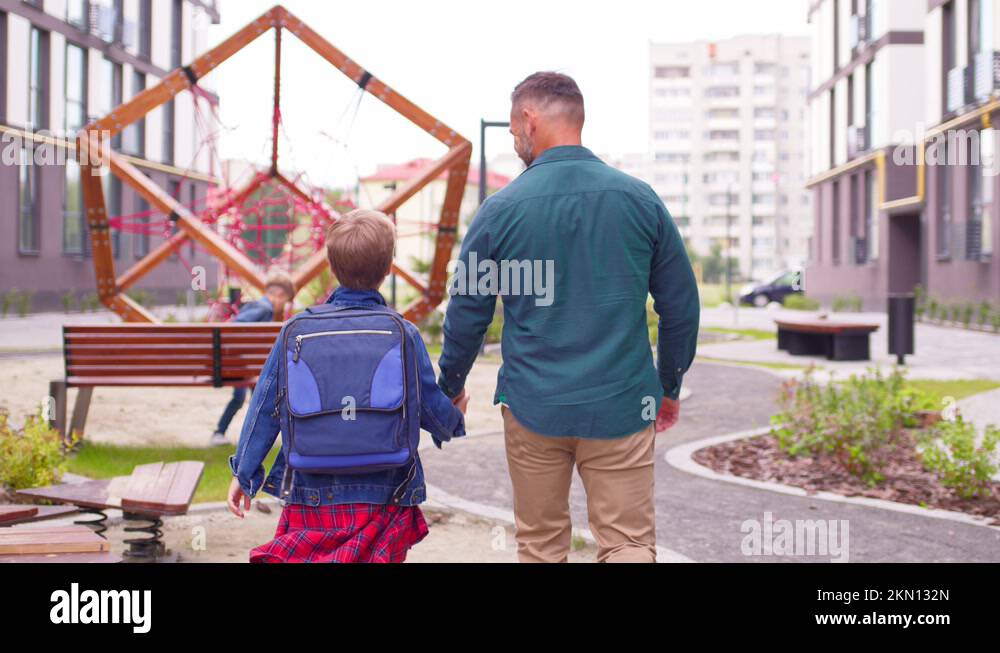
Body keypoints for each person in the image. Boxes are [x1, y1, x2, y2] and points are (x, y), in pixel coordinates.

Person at [437, 72, 700, 563]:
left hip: (534, 403)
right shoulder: (640, 199)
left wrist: (450, 383)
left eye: (515, 129)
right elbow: (681, 306)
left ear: (529, 119)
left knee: (540, 544)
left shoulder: (500, 210)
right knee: (628, 543)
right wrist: (668, 385)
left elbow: (468, 309)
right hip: (623, 401)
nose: (515, 139)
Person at [227, 209, 468, 563]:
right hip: (387, 488)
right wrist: (455, 420)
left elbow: (265, 407)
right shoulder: (403, 333)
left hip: (311, 485)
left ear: (331, 266)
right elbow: (430, 408)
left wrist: (245, 474)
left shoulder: (296, 331)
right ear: (387, 270)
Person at [210, 272, 294, 447]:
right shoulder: (265, 309)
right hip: (240, 363)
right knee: (257, 397)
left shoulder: (259, 306)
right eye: (285, 301)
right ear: (279, 295)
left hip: (243, 363)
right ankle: (221, 432)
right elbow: (235, 327)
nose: (283, 306)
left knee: (254, 397)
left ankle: (230, 433)